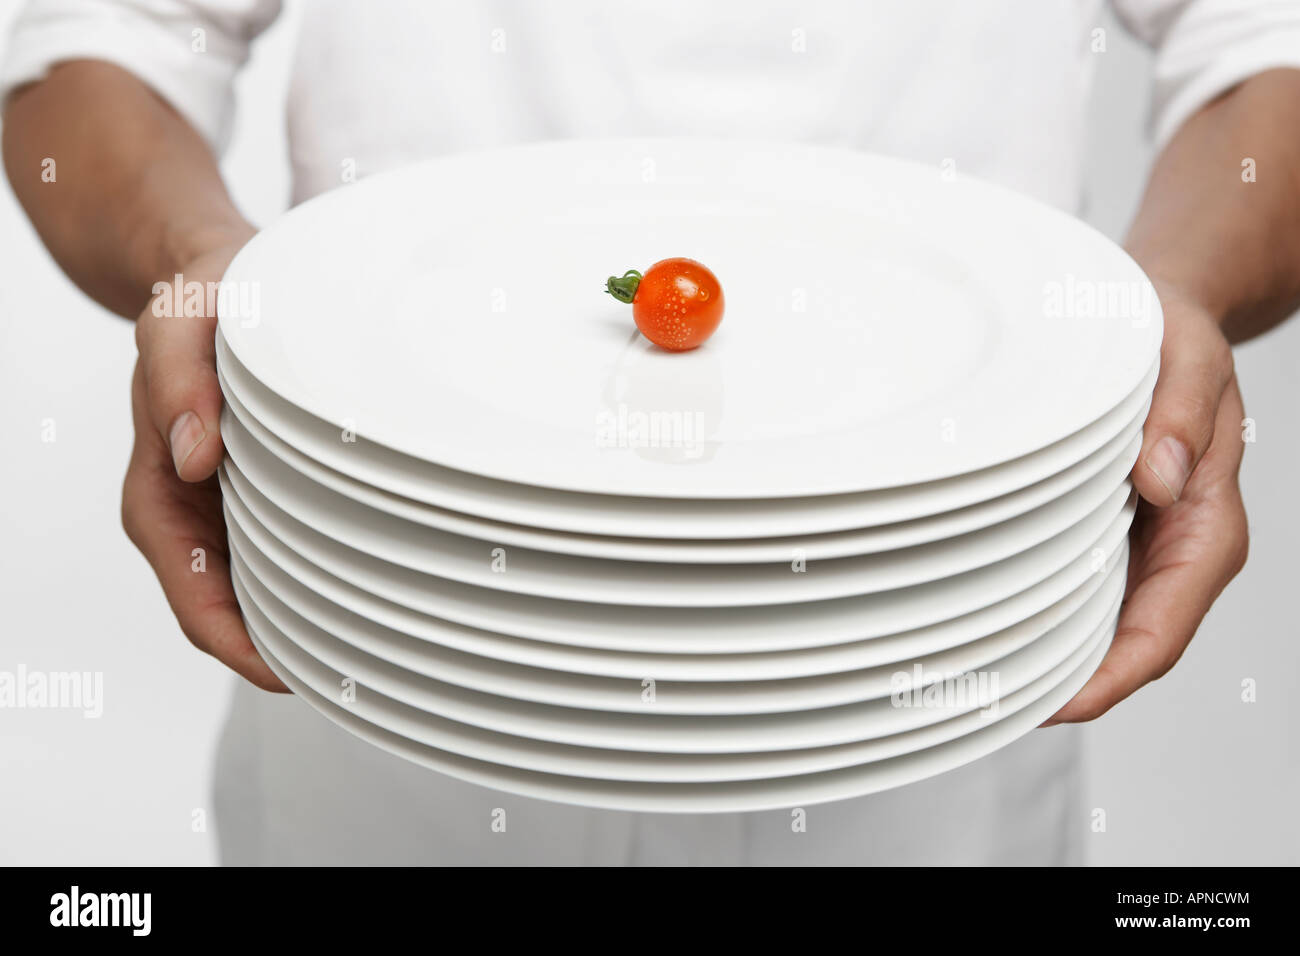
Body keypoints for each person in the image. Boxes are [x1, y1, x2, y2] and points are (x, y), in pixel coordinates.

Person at [3, 0, 1298, 865]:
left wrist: (1166, 300)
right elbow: (84, 43)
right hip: (387, 683)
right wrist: (197, 263)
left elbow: (1266, 49)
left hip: (934, 726)